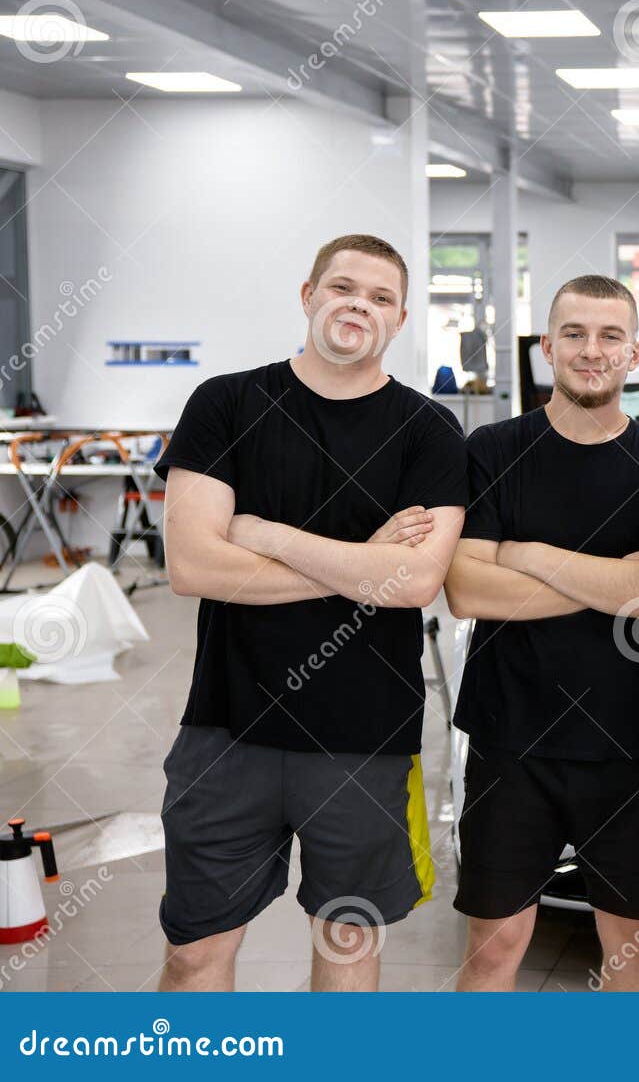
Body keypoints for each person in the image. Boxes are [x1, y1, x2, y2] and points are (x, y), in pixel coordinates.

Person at [155, 233, 467, 991]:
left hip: (365, 742)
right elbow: (193, 565)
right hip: (226, 730)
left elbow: (417, 582)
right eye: (343, 287)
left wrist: (267, 536)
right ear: (309, 296)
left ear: (399, 319)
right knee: (196, 952)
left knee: (348, 948)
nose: (359, 303)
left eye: (381, 296)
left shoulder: (428, 431)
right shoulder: (226, 404)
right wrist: (363, 563)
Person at [444, 275, 639, 992]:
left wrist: (527, 554)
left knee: (634, 950)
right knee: (492, 946)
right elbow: (464, 589)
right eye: (574, 334)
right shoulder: (491, 448)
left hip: (628, 742)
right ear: (547, 347)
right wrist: (606, 581)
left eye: (610, 336)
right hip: (510, 734)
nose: (591, 350)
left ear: (635, 353)